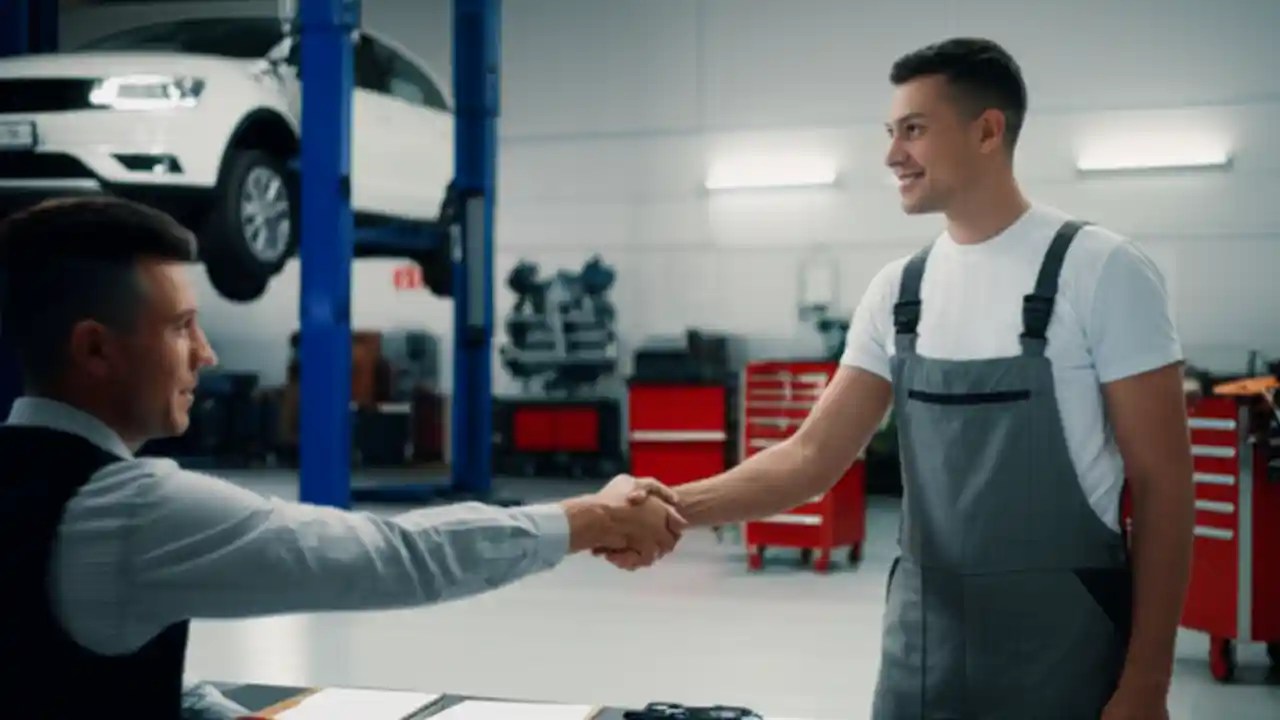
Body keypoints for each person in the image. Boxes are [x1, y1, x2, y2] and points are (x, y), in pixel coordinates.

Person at [605, 37, 1195, 719]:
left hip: (1065, 645)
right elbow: (809, 458)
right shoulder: (899, 293)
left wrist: (1148, 682)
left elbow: (1165, 485)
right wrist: (668, 506)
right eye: (891, 133)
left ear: (987, 130)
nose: (892, 156)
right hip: (924, 649)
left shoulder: (1102, 271)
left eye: (913, 130)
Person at [0, 196, 685, 719]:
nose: (207, 355)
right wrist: (590, 519)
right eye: (182, 328)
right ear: (95, 350)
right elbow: (392, 557)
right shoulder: (129, 513)